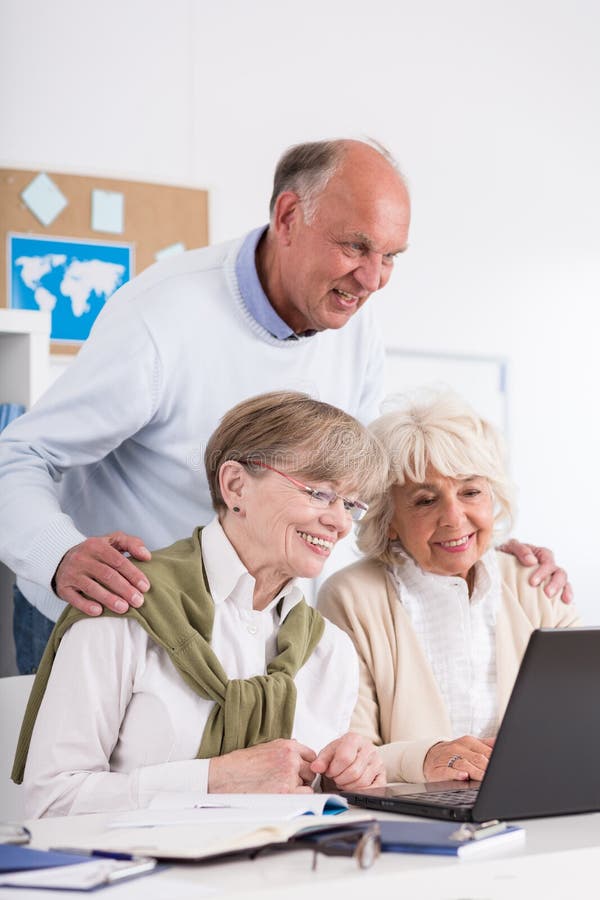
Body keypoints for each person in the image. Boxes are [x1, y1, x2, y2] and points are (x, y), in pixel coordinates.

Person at [0, 138, 570, 675]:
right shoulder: (162, 317)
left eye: (391, 256)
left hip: (238, 627)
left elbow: (363, 486)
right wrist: (58, 554)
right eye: (356, 246)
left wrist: (475, 551)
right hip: (105, 616)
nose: (373, 279)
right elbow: (19, 456)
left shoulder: (353, 323)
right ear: (289, 216)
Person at [13, 392, 387, 817]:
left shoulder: (330, 649)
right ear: (236, 485)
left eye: (350, 504)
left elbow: (307, 804)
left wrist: (341, 782)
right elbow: (51, 802)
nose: (339, 523)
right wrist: (213, 781)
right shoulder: (124, 606)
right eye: (319, 493)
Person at [318, 390, 580, 785]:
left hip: (532, 798)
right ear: (388, 519)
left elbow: (582, 721)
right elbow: (344, 756)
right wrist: (423, 759)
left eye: (470, 492)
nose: (454, 519)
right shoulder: (350, 597)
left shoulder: (534, 581)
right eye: (425, 501)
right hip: (407, 809)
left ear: (492, 496)